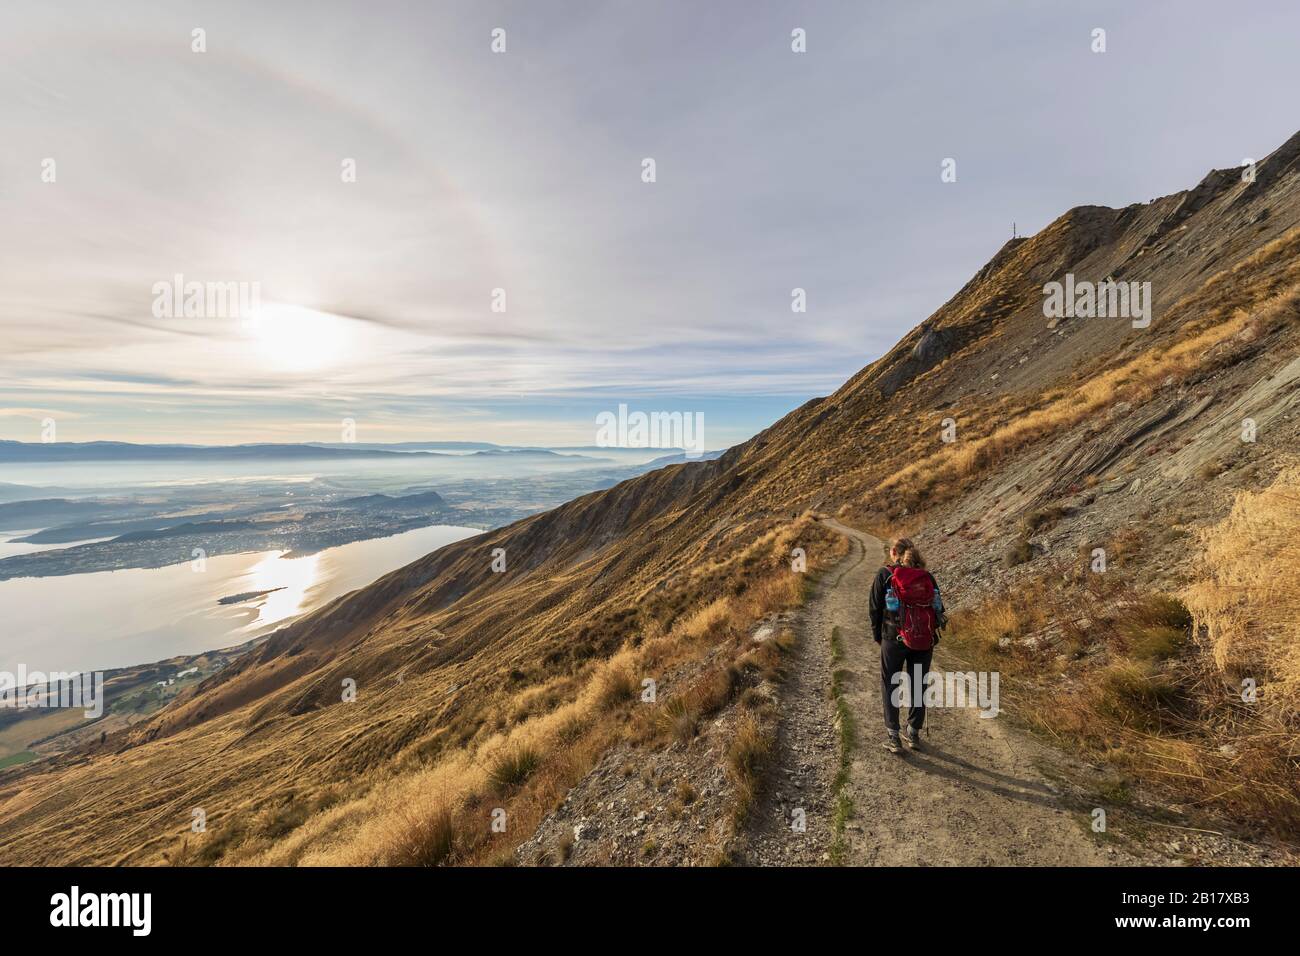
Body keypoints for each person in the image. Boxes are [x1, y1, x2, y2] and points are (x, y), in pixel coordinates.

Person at [869, 537, 946, 754]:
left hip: (893, 638)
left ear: (894, 552)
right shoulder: (927, 577)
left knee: (890, 683)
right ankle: (913, 732)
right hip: (923, 640)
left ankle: (893, 736)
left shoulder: (885, 575)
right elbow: (939, 608)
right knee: (919, 684)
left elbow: (874, 609)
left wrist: (878, 636)